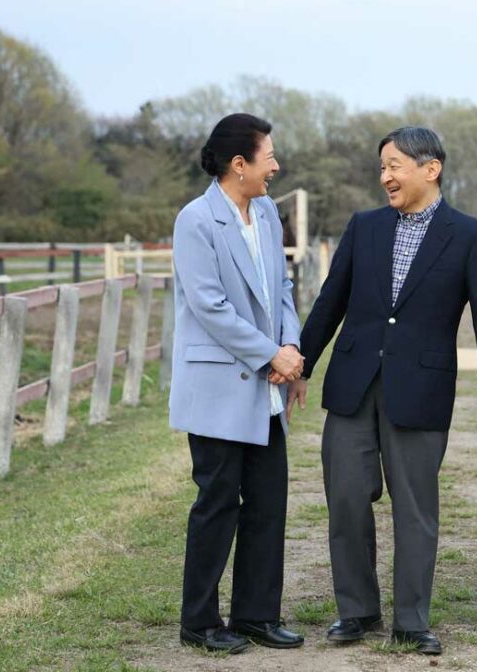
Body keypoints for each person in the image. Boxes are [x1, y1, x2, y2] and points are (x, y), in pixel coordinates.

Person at [291, 126, 477, 657]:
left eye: (394, 165)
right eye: (381, 168)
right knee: (346, 498)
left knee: (415, 509)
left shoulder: (468, 236)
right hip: (352, 386)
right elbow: (331, 301)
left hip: (420, 390)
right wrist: (302, 361)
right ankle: (357, 611)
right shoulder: (364, 227)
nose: (385, 177)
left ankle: (412, 620)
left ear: (431, 168)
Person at [170, 113, 307, 654]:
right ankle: (199, 620)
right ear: (238, 164)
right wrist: (270, 351)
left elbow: (282, 286)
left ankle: (256, 615)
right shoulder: (195, 220)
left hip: (268, 385)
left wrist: (291, 351)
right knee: (218, 502)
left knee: (268, 503)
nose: (275, 165)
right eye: (268, 155)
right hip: (219, 386)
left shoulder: (268, 212)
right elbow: (209, 306)